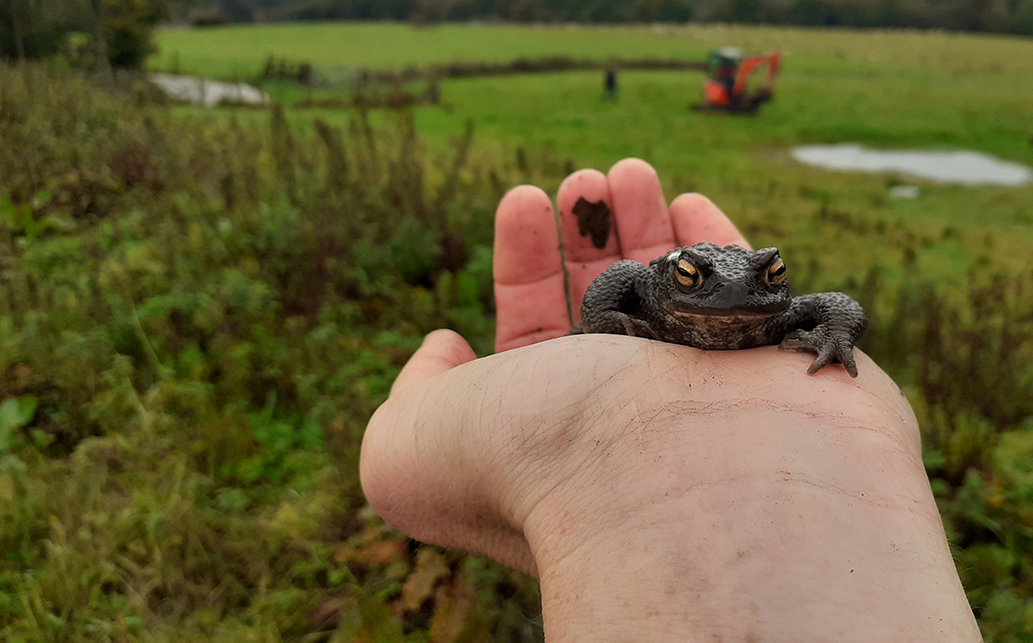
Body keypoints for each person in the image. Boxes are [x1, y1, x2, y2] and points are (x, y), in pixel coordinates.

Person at [360, 158, 982, 641]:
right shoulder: (658, 288)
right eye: (692, 280)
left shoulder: (776, 312)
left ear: (777, 281)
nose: (733, 296)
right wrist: (604, 322)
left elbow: (838, 306)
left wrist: (833, 339)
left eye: (770, 277)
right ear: (677, 279)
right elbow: (623, 275)